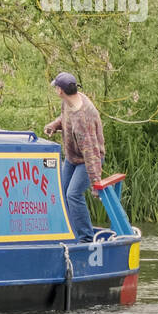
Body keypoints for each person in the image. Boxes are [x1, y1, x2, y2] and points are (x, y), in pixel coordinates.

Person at [43, 72, 105, 242]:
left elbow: (92, 154)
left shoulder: (84, 118)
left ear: (60, 90)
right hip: (72, 158)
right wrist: (54, 126)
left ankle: (86, 238)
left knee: (73, 194)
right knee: (61, 192)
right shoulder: (69, 101)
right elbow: (65, 118)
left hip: (88, 161)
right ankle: (70, 232)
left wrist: (95, 184)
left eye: (56, 86)